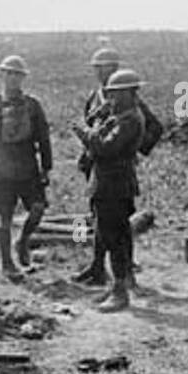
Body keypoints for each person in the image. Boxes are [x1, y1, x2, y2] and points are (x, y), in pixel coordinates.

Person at [72, 69, 145, 313]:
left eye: (116, 94)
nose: (111, 98)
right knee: (109, 234)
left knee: (114, 239)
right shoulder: (120, 116)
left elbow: (105, 147)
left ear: (129, 93)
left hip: (114, 185)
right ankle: (116, 285)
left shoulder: (130, 120)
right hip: (107, 184)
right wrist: (98, 118)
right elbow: (102, 136)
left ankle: (120, 292)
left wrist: (84, 132)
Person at [0, 54, 52, 282]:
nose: (12, 78)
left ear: (23, 78)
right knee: (4, 218)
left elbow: (44, 138)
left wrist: (46, 167)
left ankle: (22, 242)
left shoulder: (32, 105)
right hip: (2, 169)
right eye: (8, 73)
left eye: (17, 74)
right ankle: (7, 263)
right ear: (1, 75)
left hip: (28, 167)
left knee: (38, 208)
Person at [73, 47, 120, 286]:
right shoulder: (95, 96)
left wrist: (126, 151)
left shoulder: (123, 96)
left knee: (111, 220)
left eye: (105, 67)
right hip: (95, 163)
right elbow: (89, 123)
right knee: (95, 215)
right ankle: (97, 265)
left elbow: (150, 128)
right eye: (98, 68)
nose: (101, 72)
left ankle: (117, 270)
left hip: (113, 167)